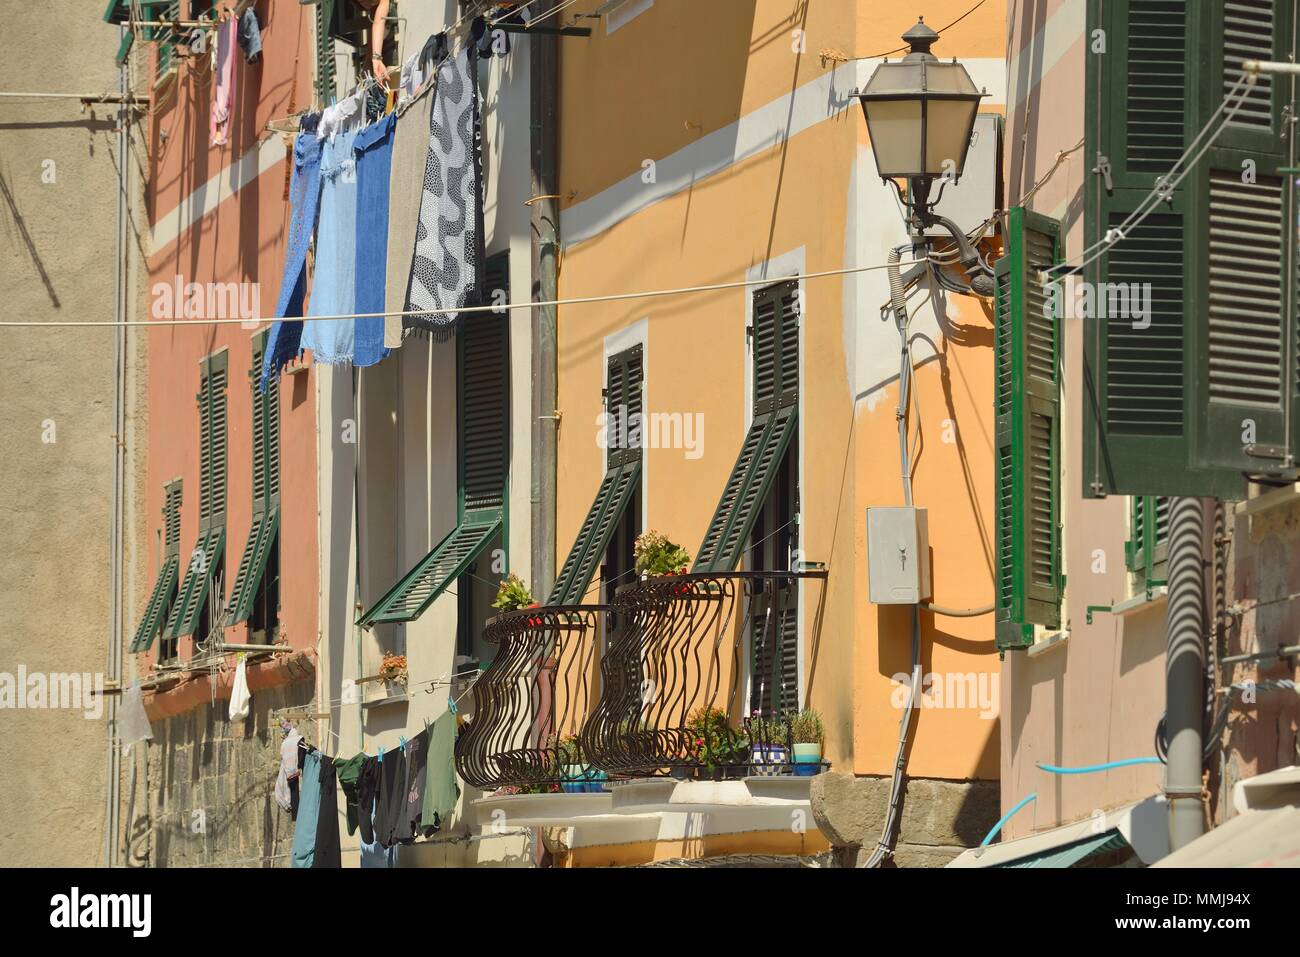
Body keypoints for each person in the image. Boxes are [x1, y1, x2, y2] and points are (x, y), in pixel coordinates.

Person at [357, 0, 391, 86]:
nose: (364, 3)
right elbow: (374, 27)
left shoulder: (383, 2)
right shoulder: (373, 10)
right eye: (360, 2)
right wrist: (368, 62)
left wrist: (376, 59)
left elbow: (379, 21)